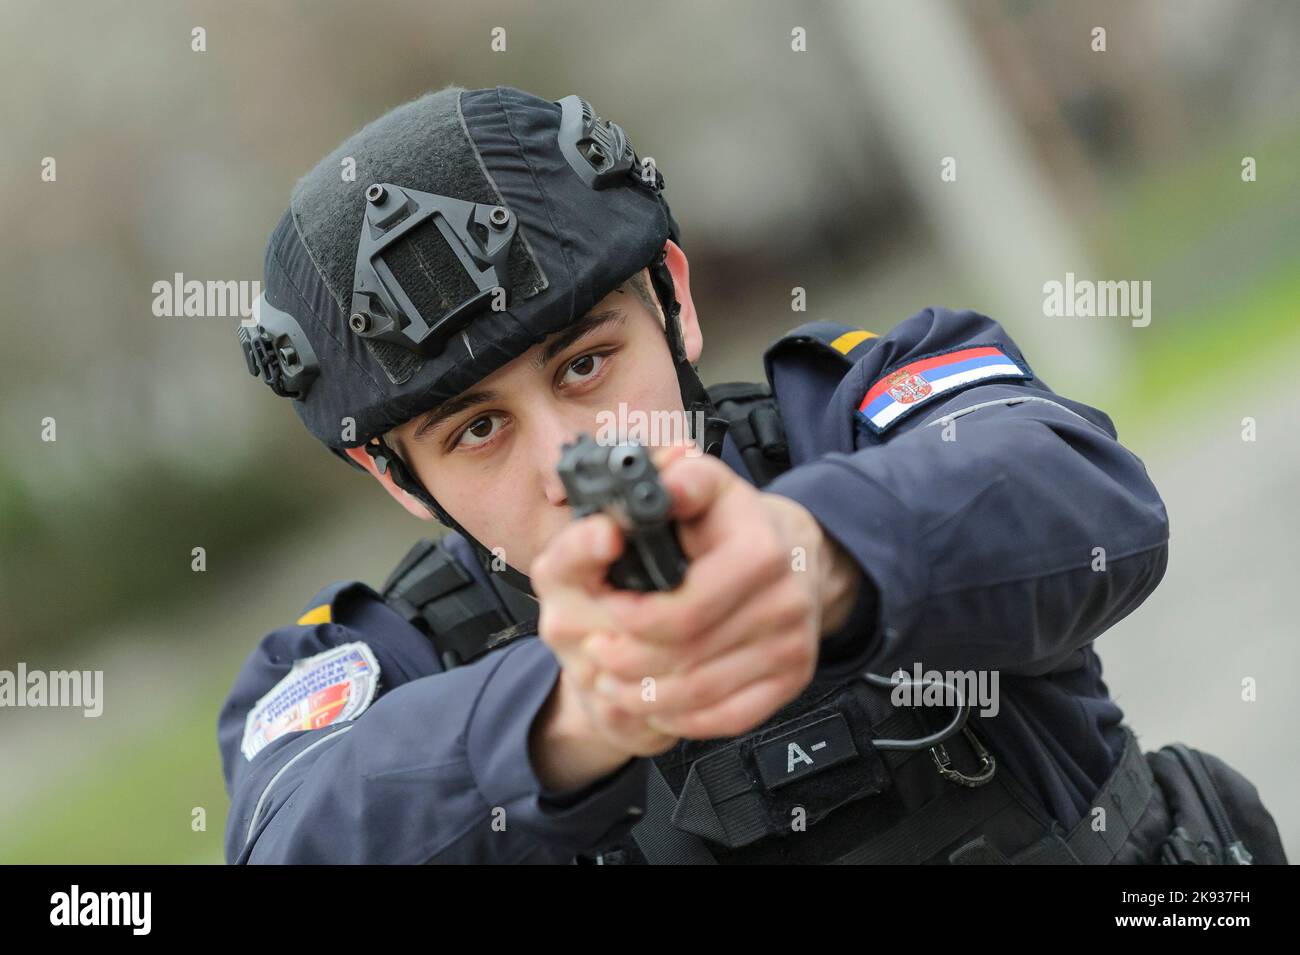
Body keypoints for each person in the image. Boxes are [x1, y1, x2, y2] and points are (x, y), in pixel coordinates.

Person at [219, 84, 1285, 864]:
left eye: (586, 364)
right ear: (396, 477)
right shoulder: (374, 658)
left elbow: (1083, 494)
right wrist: (576, 710)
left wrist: (817, 557)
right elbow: (299, 834)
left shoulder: (855, 403)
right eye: (476, 430)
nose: (568, 459)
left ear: (673, 299)